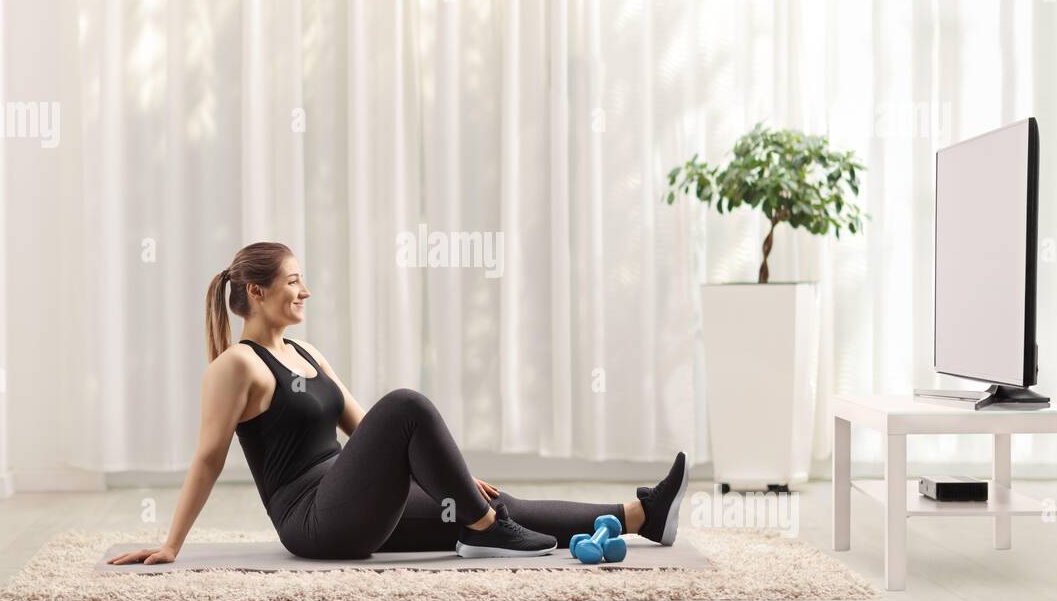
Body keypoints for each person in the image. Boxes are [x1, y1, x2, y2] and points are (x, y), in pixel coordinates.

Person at [109, 241, 688, 564]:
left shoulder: (307, 353)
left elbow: (363, 430)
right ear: (256, 292)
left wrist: (456, 480)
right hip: (314, 521)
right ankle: (485, 529)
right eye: (292, 281)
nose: (304, 290)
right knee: (406, 403)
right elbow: (208, 459)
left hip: (356, 497)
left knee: (491, 502)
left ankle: (642, 516)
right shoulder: (235, 366)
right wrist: (171, 544)